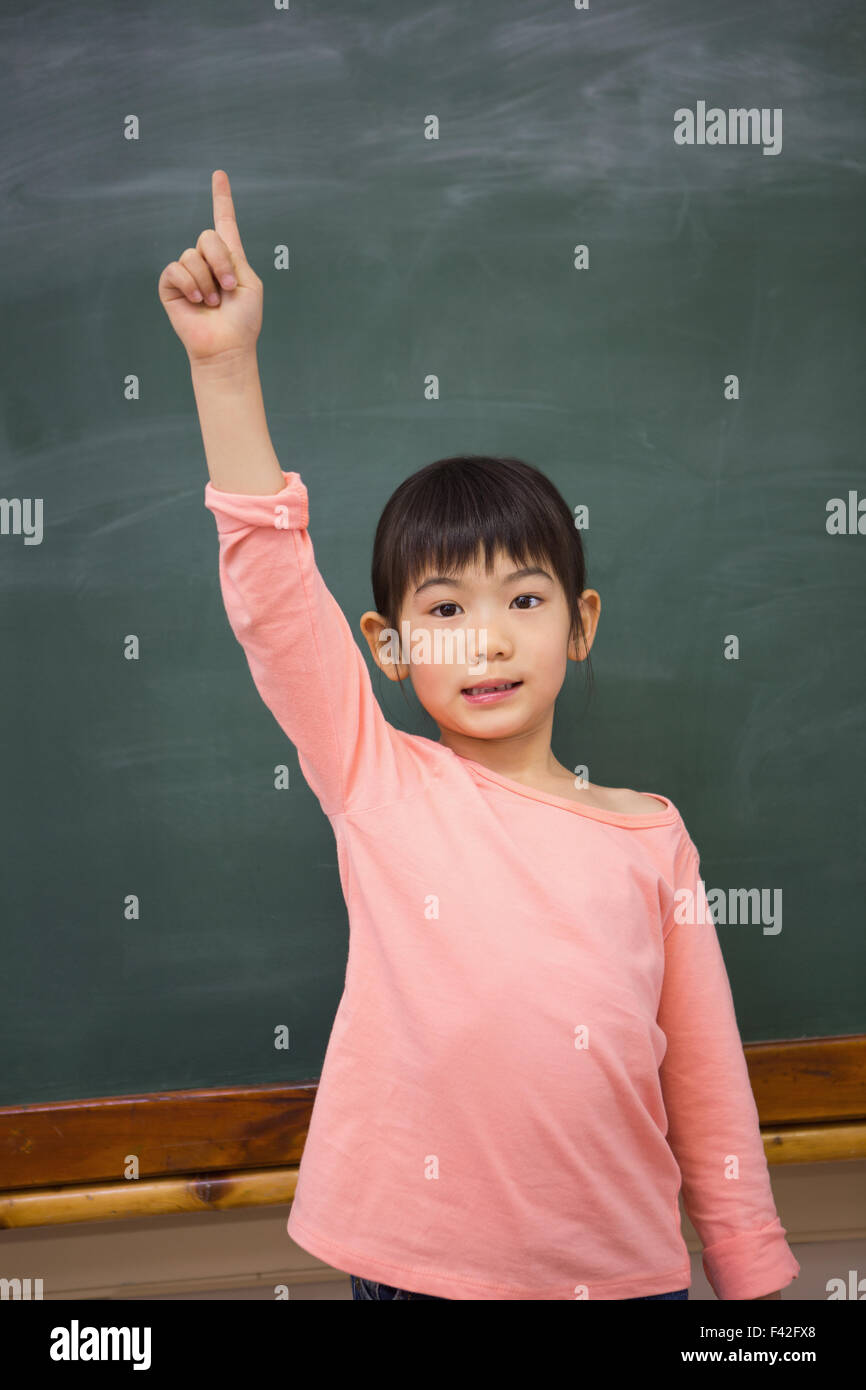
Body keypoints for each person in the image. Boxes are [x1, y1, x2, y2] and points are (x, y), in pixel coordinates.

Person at [158, 169, 799, 1302]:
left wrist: (746, 1275)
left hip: (618, 1276)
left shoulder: (652, 838)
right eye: (443, 609)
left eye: (523, 598)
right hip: (412, 1271)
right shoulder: (375, 779)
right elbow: (270, 593)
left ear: (578, 624)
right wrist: (223, 365)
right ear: (389, 645)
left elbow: (706, 1082)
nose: (486, 640)